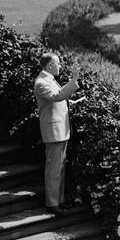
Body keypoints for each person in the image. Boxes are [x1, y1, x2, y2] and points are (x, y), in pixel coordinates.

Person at [34, 51, 80, 214]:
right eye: (58, 63)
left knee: (59, 168)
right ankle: (52, 203)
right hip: (53, 131)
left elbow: (59, 97)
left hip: (60, 130)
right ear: (50, 65)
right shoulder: (41, 82)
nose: (60, 66)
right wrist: (74, 80)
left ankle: (59, 201)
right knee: (54, 168)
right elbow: (57, 96)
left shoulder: (49, 79)